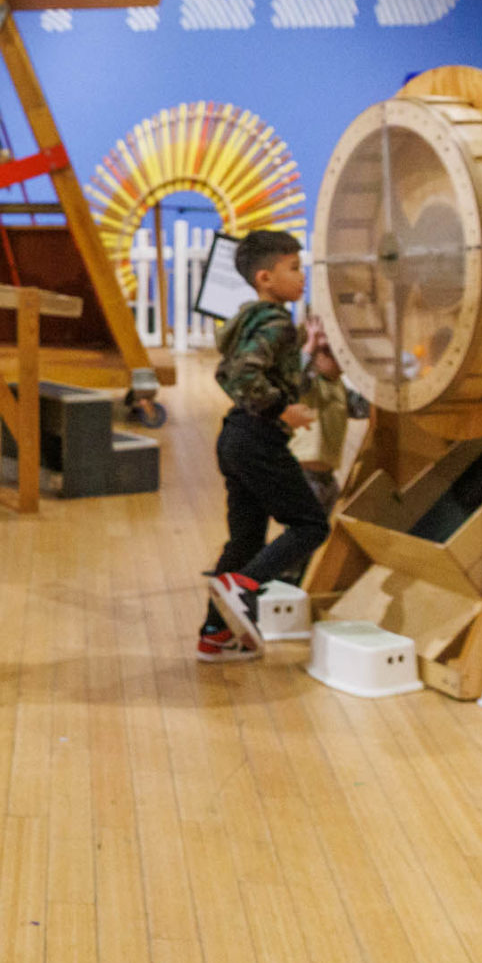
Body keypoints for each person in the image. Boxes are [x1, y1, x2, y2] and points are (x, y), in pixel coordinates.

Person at [201, 228, 339, 661]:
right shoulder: (277, 320)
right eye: (294, 269)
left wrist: (305, 353)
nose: (302, 278)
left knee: (244, 541)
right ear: (265, 277)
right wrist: (283, 410)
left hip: (235, 437)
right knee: (311, 524)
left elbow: (228, 373)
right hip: (260, 440)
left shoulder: (250, 318)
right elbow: (244, 376)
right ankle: (242, 589)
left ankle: (215, 634)